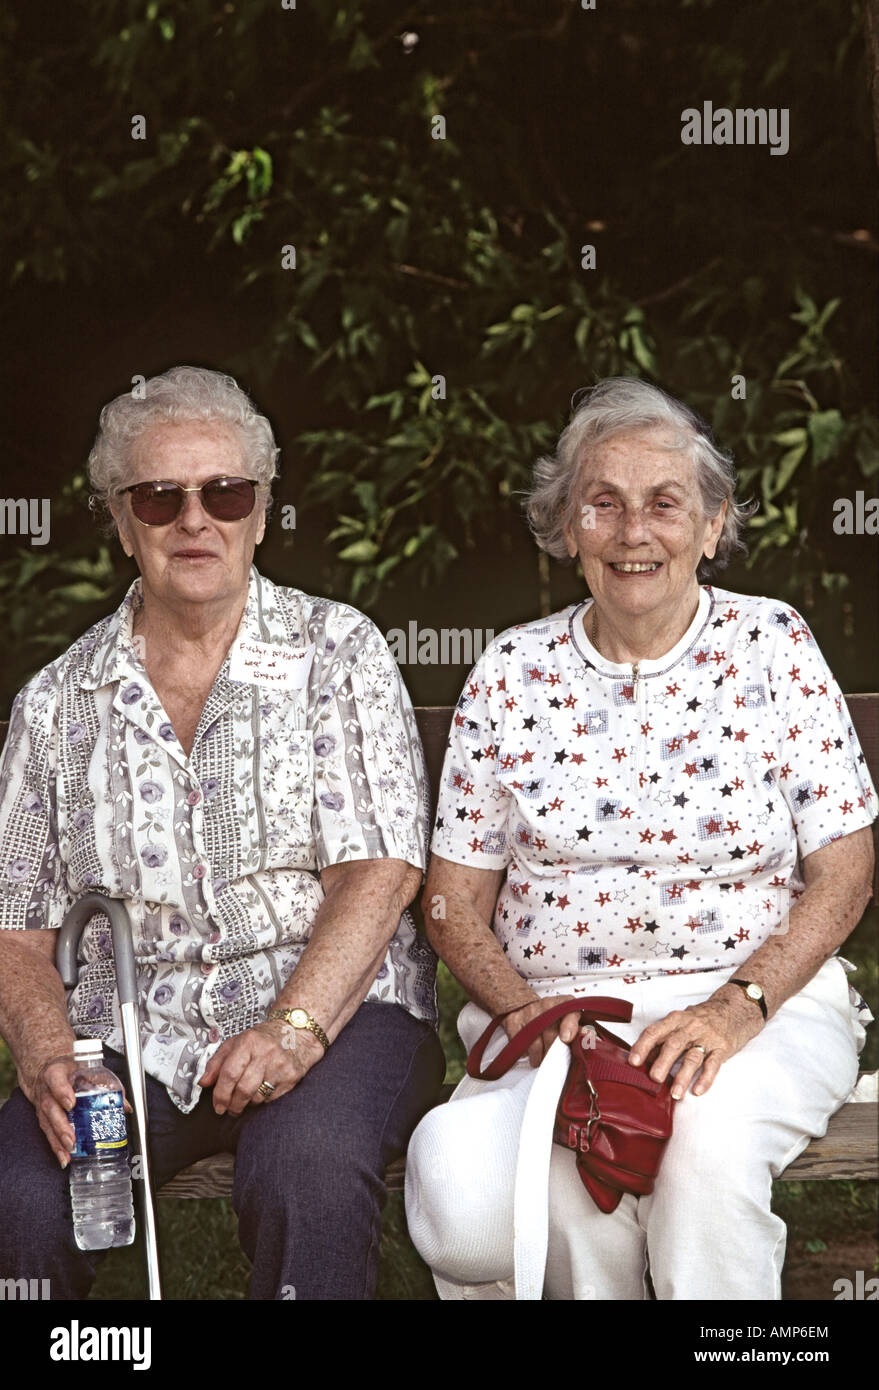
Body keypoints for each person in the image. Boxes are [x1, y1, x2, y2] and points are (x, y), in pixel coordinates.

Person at [404, 377, 876, 1301]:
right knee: (548, 1179)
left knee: (703, 1145)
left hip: (757, 1006)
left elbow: (845, 869)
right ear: (566, 528)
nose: (633, 533)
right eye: (603, 505)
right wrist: (537, 1022)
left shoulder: (771, 644)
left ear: (709, 526)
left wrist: (736, 1008)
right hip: (556, 1012)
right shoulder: (512, 670)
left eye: (664, 505)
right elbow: (452, 901)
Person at [0, 365, 444, 1300]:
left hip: (335, 1012)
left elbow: (381, 873)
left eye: (225, 493)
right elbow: (16, 931)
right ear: (122, 524)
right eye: (159, 498)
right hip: (130, 1032)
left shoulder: (337, 652)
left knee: (306, 1172)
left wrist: (291, 1029)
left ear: (261, 510)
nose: (194, 520)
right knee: (19, 1197)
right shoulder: (56, 702)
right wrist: (49, 1062)